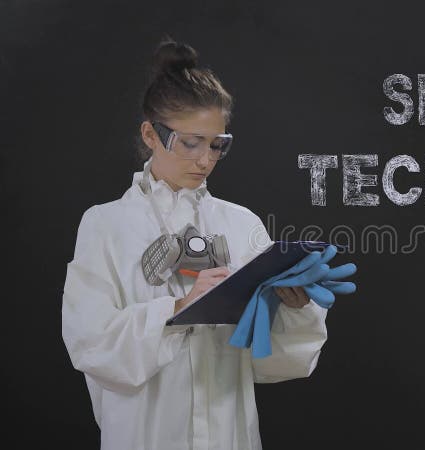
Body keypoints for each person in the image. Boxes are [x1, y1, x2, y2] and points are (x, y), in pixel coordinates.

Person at [61, 36, 328, 450]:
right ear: (151, 134)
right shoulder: (106, 225)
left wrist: (293, 308)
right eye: (190, 142)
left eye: (217, 144)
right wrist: (179, 309)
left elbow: (273, 362)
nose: (205, 160)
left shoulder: (241, 224)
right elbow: (90, 345)